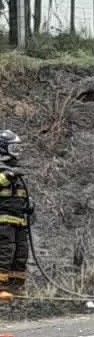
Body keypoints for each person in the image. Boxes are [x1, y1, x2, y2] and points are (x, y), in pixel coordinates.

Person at [0, 129, 31, 302]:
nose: (17, 152)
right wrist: (6, 176)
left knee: (20, 253)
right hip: (2, 220)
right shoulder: (3, 169)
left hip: (18, 219)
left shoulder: (12, 168)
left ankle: (16, 286)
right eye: (14, 148)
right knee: (4, 253)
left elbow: (17, 192)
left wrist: (28, 204)